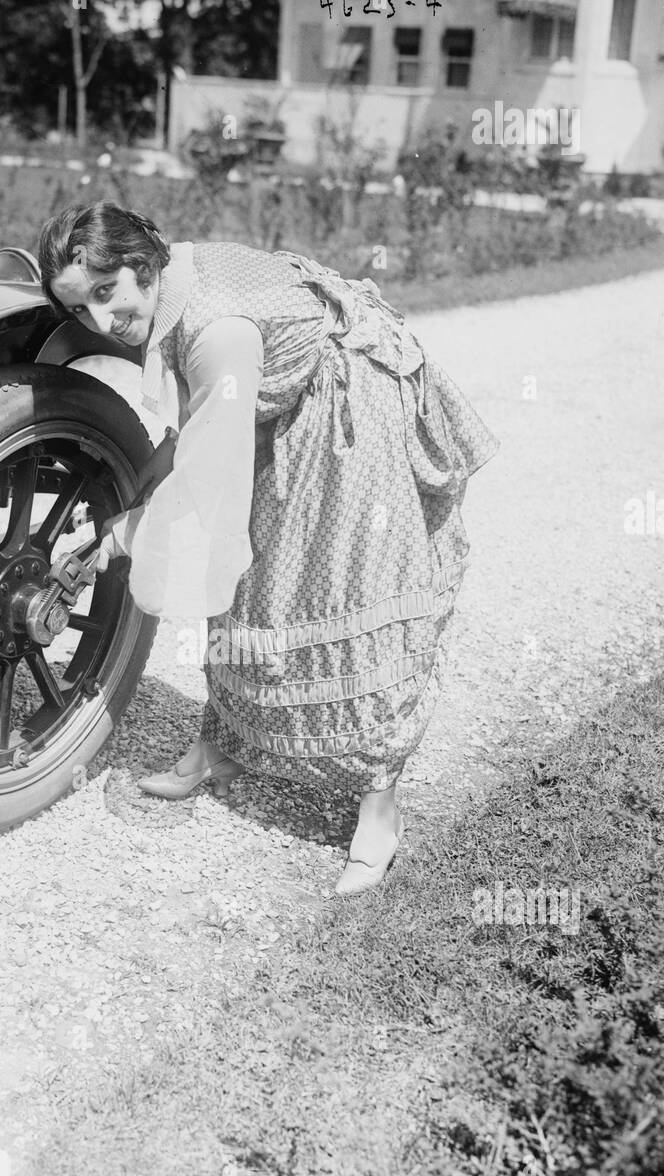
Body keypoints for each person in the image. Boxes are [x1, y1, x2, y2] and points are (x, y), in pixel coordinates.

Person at [38, 202, 498, 896]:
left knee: (353, 600)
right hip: (286, 403)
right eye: (79, 309)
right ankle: (217, 750)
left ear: (139, 266)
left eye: (106, 294)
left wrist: (126, 532)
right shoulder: (175, 282)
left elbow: (207, 473)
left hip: (351, 411)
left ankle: (379, 809)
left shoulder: (216, 332)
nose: (101, 323)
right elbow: (201, 430)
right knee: (249, 584)